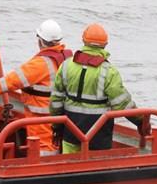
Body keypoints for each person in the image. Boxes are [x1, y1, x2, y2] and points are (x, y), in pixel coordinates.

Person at [0, 19, 72, 155]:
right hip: (61, 117)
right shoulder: (68, 60)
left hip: (40, 121)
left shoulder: (38, 65)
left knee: (42, 152)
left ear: (40, 41)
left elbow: (8, 83)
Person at [49, 23, 151, 153]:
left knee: (69, 161)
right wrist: (141, 121)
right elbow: (122, 104)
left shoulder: (66, 66)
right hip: (98, 134)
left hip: (70, 131)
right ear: (105, 44)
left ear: (83, 41)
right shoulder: (109, 71)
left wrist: (57, 126)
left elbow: (56, 101)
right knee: (97, 163)